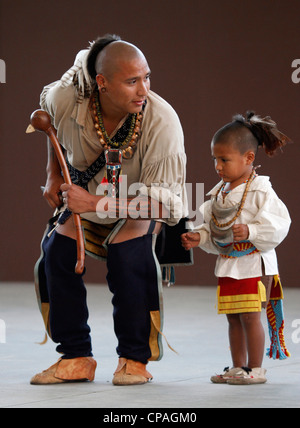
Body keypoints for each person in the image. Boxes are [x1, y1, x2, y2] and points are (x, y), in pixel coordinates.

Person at [30, 34, 188, 386]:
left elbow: (163, 204)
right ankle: (75, 357)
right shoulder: (65, 98)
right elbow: (48, 123)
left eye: (146, 77)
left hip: (137, 202)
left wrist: (96, 203)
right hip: (85, 200)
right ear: (101, 82)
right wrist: (53, 173)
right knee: (57, 253)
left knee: (129, 258)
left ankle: (134, 359)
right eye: (132, 81)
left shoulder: (162, 123)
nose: (143, 89)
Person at [181, 111, 291, 385]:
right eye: (215, 160)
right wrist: (200, 237)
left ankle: (255, 368)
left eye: (224, 160)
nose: (218, 166)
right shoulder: (219, 193)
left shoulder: (261, 191)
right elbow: (214, 228)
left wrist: (251, 231)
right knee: (232, 317)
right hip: (230, 265)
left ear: (248, 158)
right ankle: (237, 366)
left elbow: (280, 223)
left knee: (250, 316)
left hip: (253, 264)